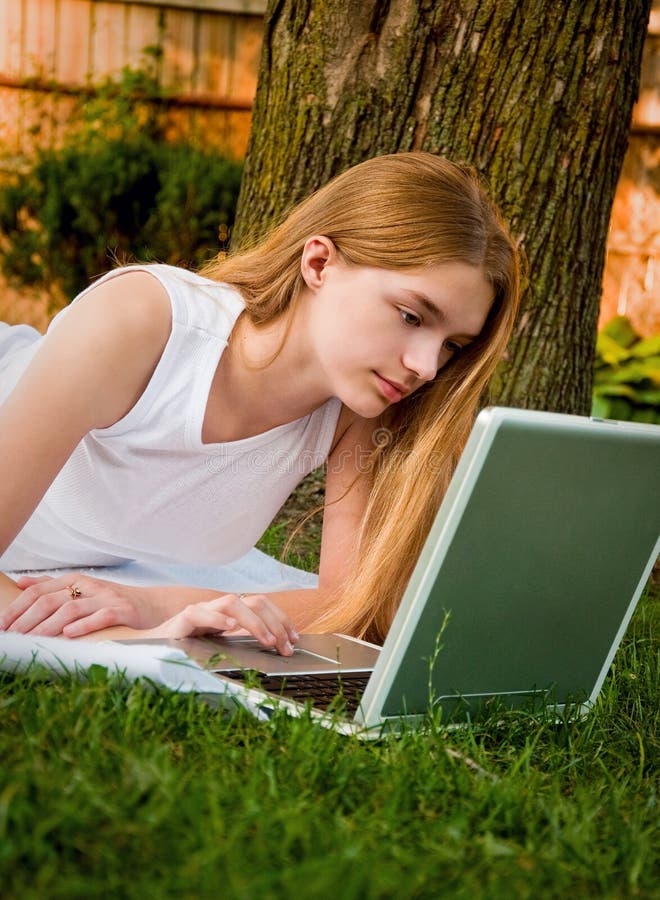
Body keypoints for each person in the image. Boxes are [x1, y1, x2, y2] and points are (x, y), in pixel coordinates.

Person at [0, 152, 520, 655]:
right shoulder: (140, 322)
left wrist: (153, 605)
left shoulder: (362, 406)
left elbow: (354, 605)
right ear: (319, 263)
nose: (428, 366)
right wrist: (127, 639)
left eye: (453, 345)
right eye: (411, 316)